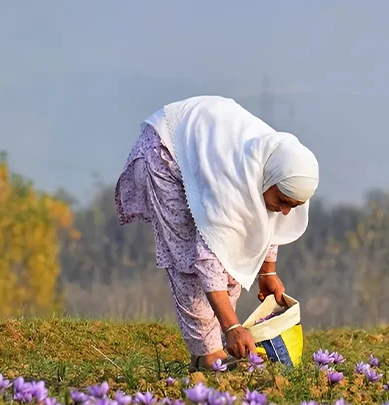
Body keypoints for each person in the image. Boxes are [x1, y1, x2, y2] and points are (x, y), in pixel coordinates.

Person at [114, 95, 319, 371]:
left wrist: (268, 272)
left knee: (227, 267)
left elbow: (267, 221)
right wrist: (231, 326)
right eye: (282, 201)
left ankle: (208, 355)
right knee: (188, 257)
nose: (284, 211)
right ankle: (208, 356)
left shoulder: (276, 164)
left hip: (207, 146)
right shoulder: (232, 185)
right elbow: (207, 260)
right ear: (270, 180)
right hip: (165, 152)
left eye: (292, 207)